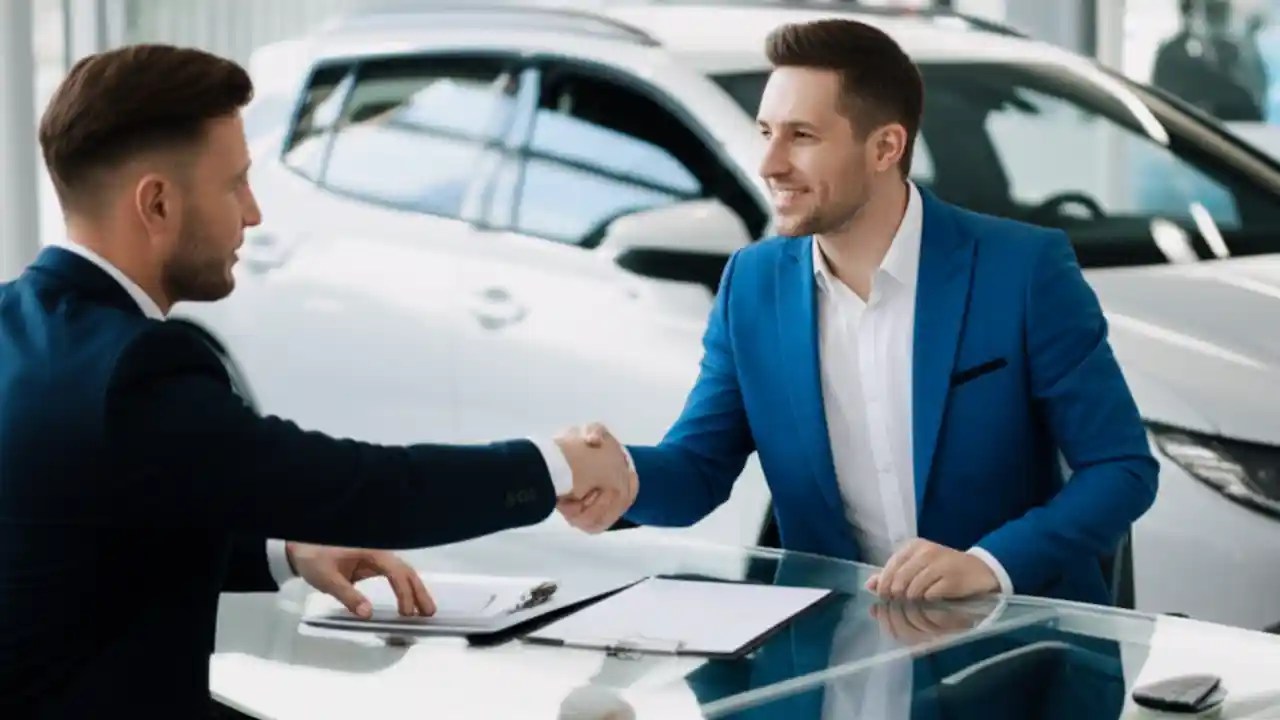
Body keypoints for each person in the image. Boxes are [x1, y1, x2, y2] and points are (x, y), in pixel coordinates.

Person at [0, 45, 635, 718]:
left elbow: (80, 528)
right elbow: (361, 487)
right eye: (235, 184)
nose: (253, 213)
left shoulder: (18, 327)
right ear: (156, 202)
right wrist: (556, 465)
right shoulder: (137, 370)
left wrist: (286, 551)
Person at [571, 18, 1158, 607]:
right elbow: (698, 468)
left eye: (801, 136)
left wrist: (988, 564)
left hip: (1013, 641)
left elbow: (1121, 468)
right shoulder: (752, 285)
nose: (770, 163)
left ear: (885, 147)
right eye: (766, 131)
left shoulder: (1022, 271)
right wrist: (624, 476)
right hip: (833, 644)